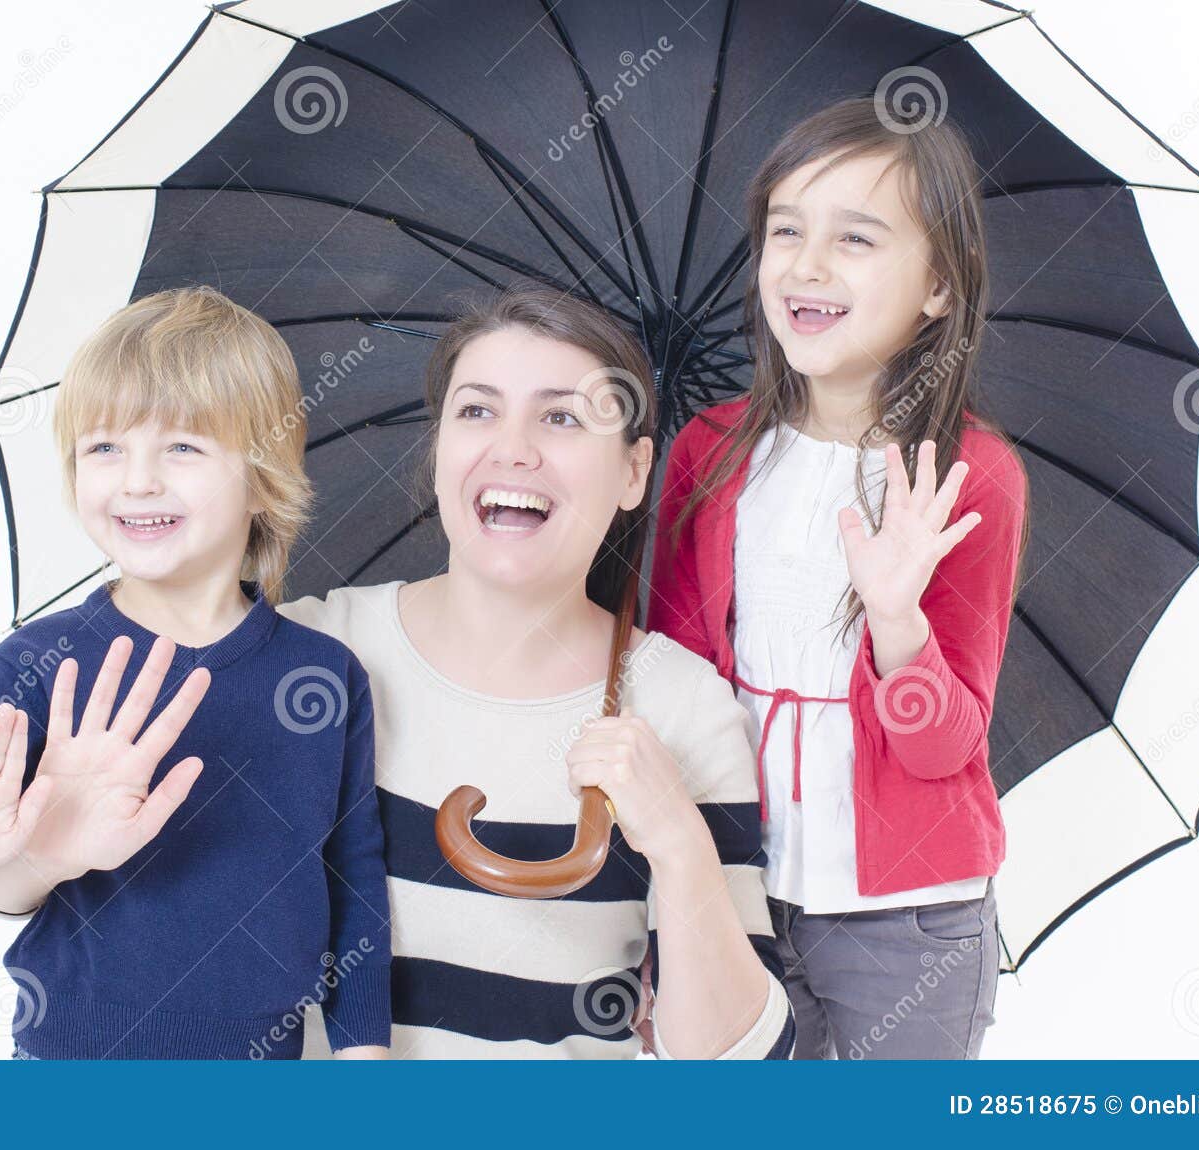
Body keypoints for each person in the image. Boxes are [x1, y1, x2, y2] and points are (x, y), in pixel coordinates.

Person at [278, 285, 794, 1058]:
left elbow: (735, 1067)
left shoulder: (682, 708)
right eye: (477, 410)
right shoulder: (312, 653)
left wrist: (680, 845)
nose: (512, 448)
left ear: (634, 472)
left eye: (561, 417)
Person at [0, 287, 391, 1059]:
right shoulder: (42, 662)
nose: (135, 481)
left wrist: (366, 1056)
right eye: (104, 447)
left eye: (182, 448)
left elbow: (353, 873)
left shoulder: (324, 676)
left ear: (262, 475)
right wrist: (7, 850)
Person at [647, 98, 1029, 1059]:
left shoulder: (969, 475)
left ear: (939, 286)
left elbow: (948, 748)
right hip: (736, 886)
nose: (807, 265)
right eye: (786, 231)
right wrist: (666, 893)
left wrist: (897, 619)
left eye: (855, 238)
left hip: (905, 919)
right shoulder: (711, 450)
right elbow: (673, 686)